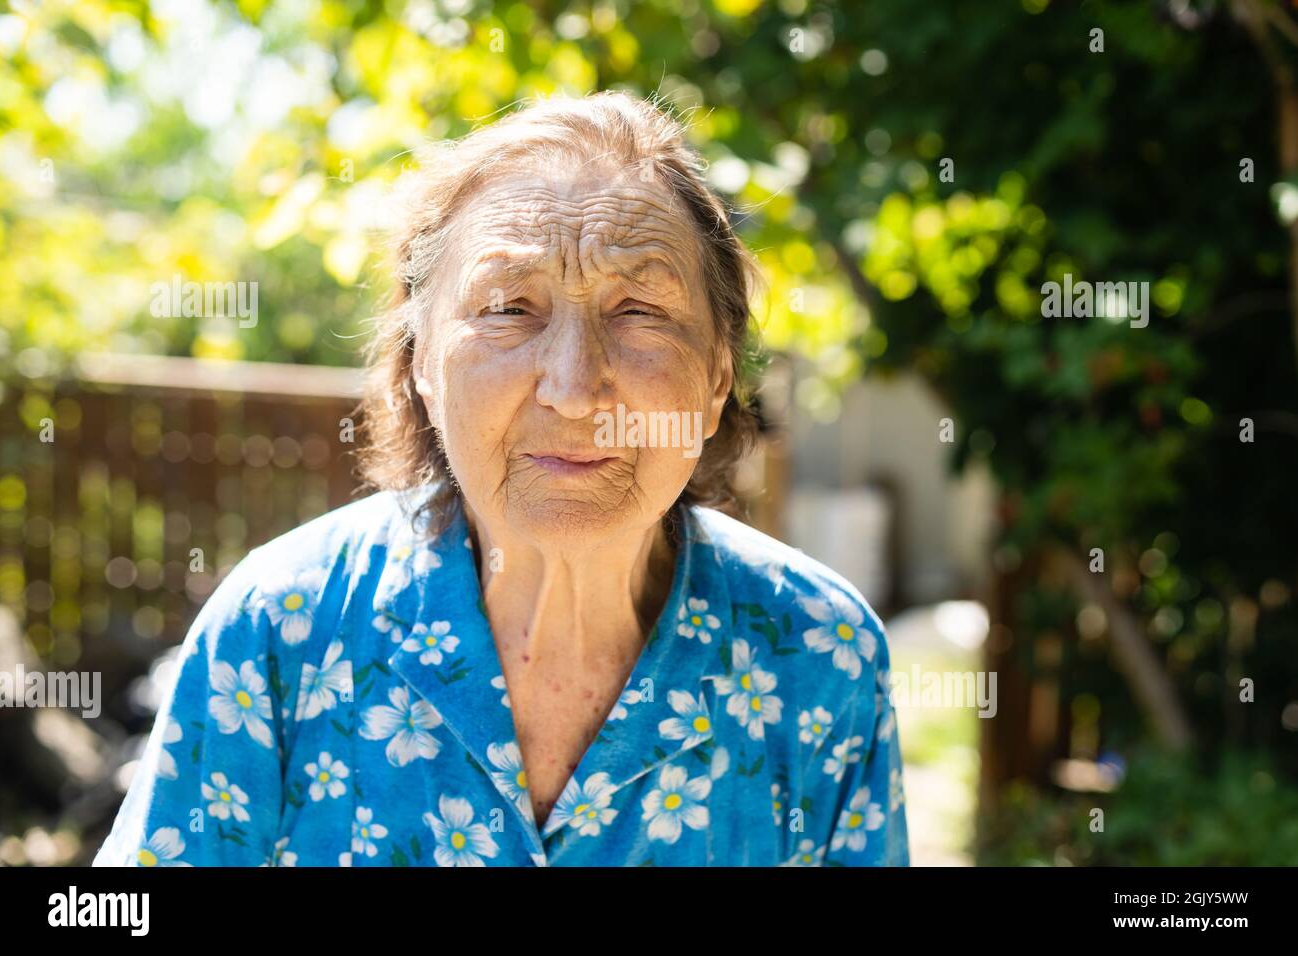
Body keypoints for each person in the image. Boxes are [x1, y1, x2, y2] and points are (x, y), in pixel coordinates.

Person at [93, 90, 908, 867]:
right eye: (511, 308)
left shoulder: (817, 654)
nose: (574, 383)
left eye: (639, 312)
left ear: (718, 378)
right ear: (421, 366)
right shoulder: (282, 630)